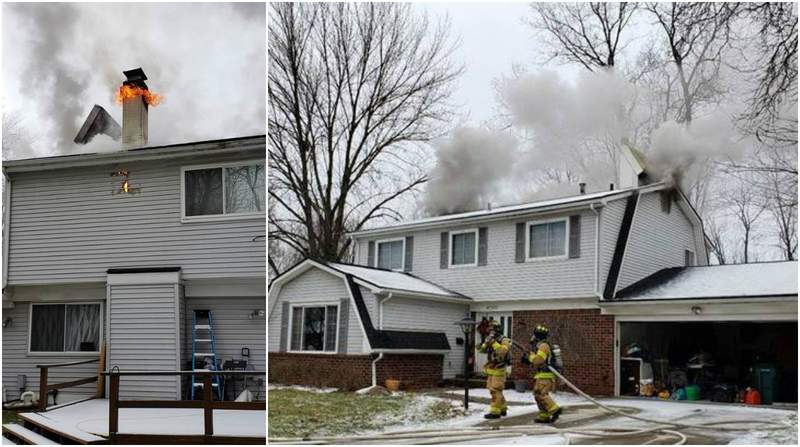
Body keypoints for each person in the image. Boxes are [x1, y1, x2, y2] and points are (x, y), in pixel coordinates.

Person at [522, 324, 562, 423]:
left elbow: (539, 360)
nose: (533, 337)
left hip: (546, 375)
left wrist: (530, 358)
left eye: (534, 335)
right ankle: (544, 416)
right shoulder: (540, 345)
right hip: (542, 374)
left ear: (538, 335)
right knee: (537, 395)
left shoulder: (543, 346)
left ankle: (555, 409)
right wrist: (528, 359)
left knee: (541, 394)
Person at [478, 319, 512, 419]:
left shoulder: (504, 340)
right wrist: (485, 344)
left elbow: (502, 351)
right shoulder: (490, 338)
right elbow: (482, 350)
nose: (491, 332)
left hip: (500, 368)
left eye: (493, 330)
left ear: (497, 330)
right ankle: (503, 408)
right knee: (492, 389)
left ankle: (495, 412)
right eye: (490, 330)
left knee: (495, 390)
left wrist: (493, 342)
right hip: (491, 368)